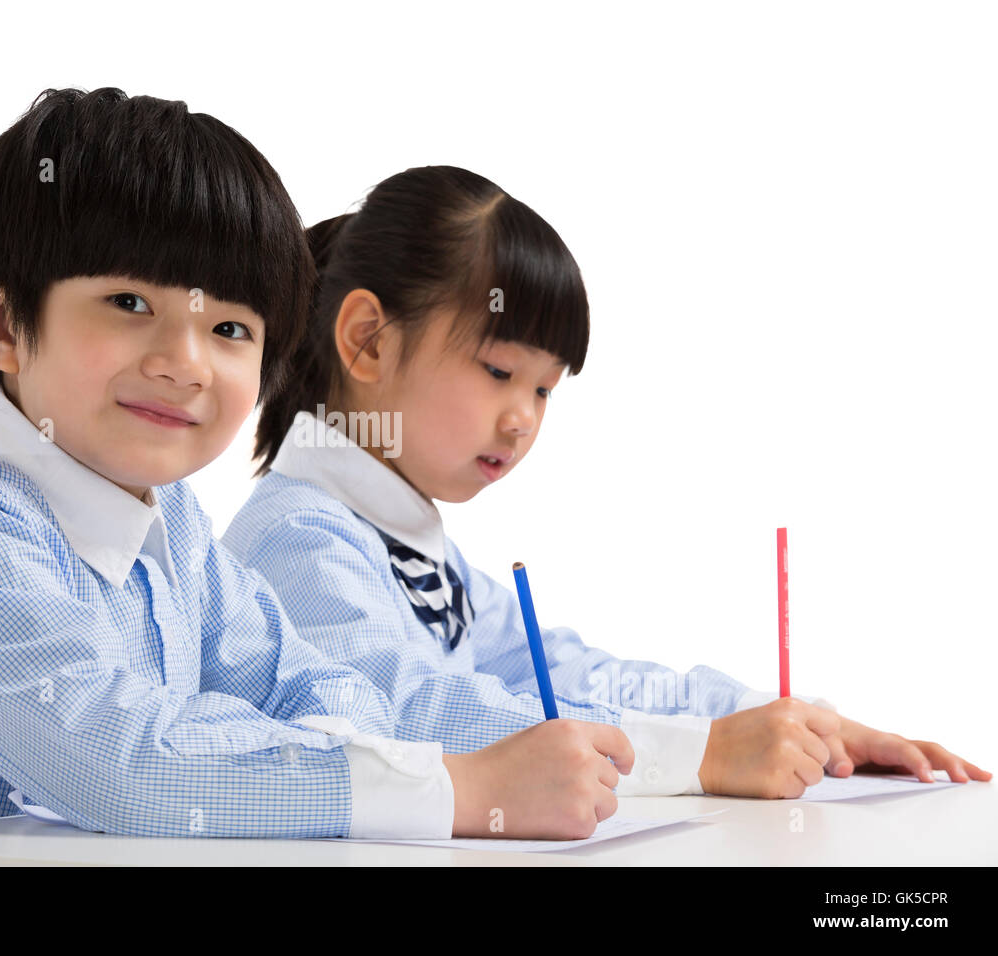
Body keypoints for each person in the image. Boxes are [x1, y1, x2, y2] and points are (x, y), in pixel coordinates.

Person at [0, 92, 634, 845]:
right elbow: (124, 762)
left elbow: (309, 685)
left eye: (231, 329)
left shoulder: (178, 529)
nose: (186, 363)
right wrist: (449, 789)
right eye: (130, 304)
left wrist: (382, 765)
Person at [222, 165, 990, 798]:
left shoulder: (410, 541)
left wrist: (784, 719)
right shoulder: (300, 543)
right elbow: (411, 714)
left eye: (545, 390)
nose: (523, 418)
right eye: (499, 371)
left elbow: (561, 674)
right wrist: (702, 755)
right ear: (367, 341)